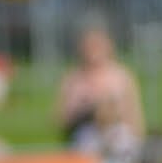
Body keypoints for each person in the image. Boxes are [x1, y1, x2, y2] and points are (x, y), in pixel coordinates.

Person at [57, 25, 144, 153]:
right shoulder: (73, 80)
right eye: (89, 46)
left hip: (117, 134)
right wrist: (83, 110)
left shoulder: (121, 76)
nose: (93, 51)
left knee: (122, 143)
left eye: (98, 46)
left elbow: (135, 115)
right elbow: (61, 118)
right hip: (87, 135)